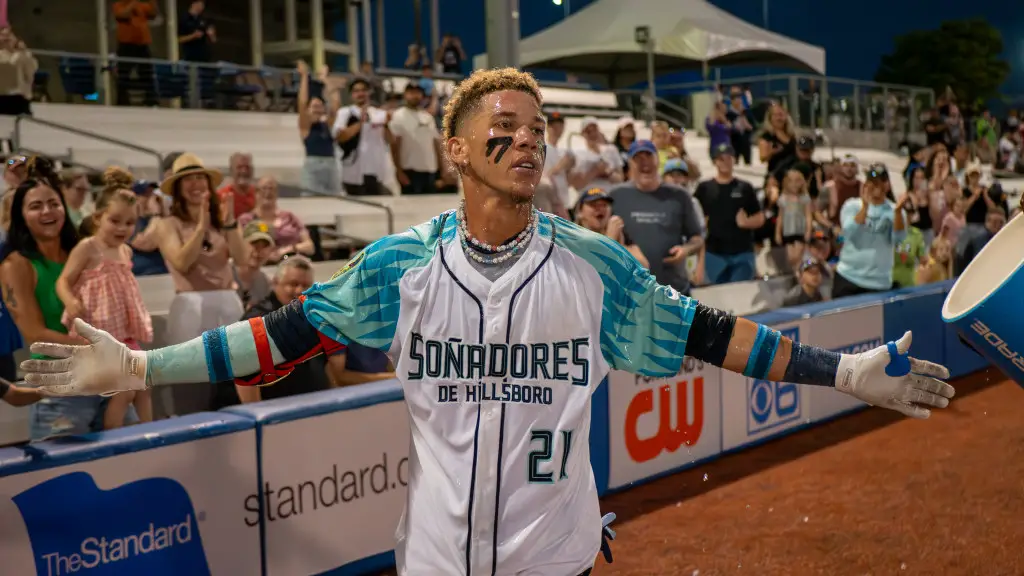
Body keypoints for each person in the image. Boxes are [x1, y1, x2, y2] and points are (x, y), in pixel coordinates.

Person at [21, 68, 953, 576]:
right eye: (502, 126)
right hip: (431, 559)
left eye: (538, 124)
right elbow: (285, 335)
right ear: (456, 149)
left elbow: (712, 334)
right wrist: (145, 371)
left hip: (556, 560)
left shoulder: (594, 264)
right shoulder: (401, 264)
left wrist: (844, 374)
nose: (527, 137)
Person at [55, 167, 153, 429]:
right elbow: (63, 280)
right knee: (123, 391)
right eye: (115, 220)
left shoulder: (125, 251)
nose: (122, 228)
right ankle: (115, 439)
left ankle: (150, 432)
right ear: (98, 217)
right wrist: (70, 301)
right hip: (100, 333)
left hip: (124, 333)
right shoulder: (88, 248)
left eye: (130, 223)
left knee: (143, 382)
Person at [833, 164, 910, 298]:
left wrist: (897, 213)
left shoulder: (896, 211)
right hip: (848, 277)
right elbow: (848, 232)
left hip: (878, 282)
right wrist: (865, 207)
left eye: (880, 183)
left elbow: (898, 240)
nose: (876, 187)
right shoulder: (851, 205)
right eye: (872, 183)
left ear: (886, 185)